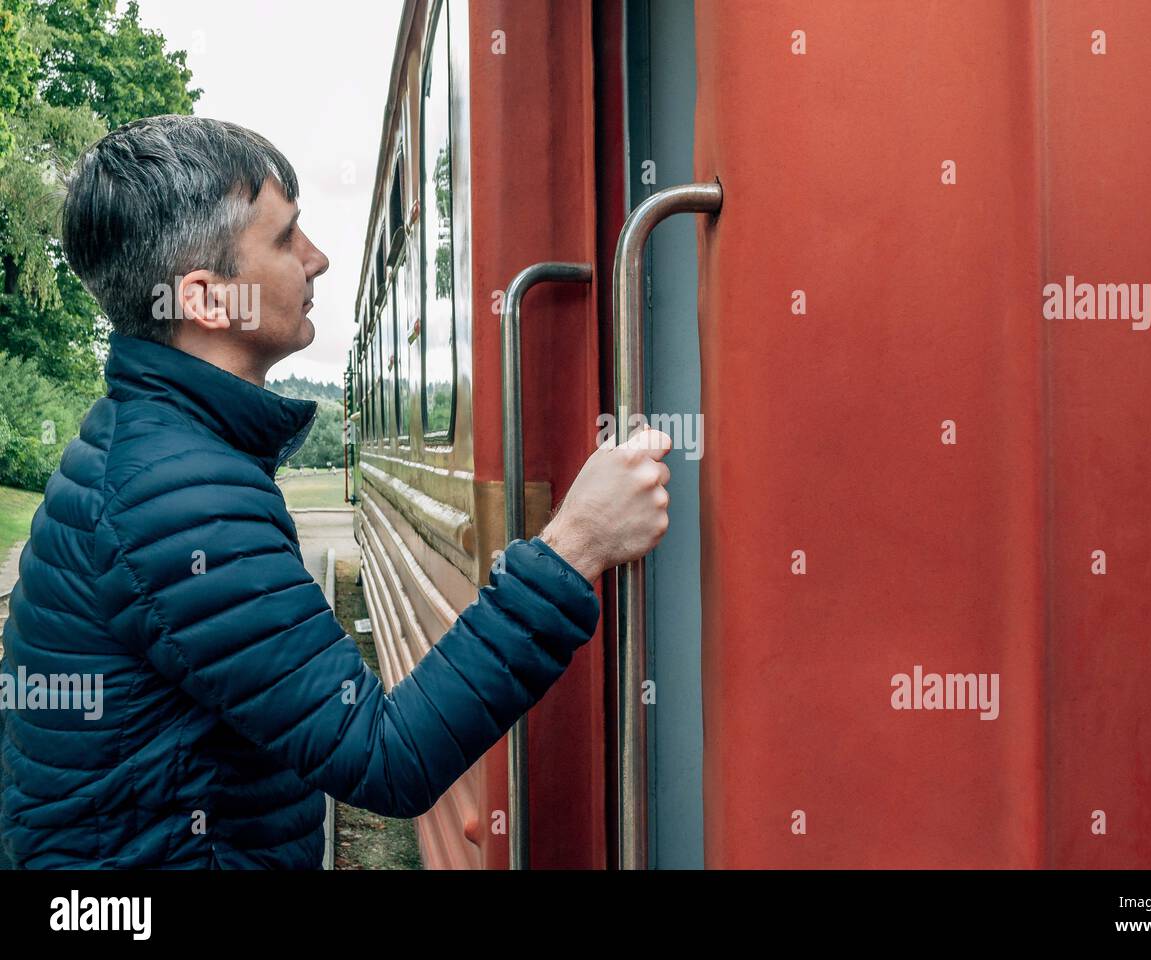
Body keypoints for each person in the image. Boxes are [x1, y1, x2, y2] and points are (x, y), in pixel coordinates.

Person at [0, 115, 671, 869]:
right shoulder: (179, 495)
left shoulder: (146, 447)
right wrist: (575, 546)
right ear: (208, 300)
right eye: (286, 239)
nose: (316, 260)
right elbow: (384, 757)